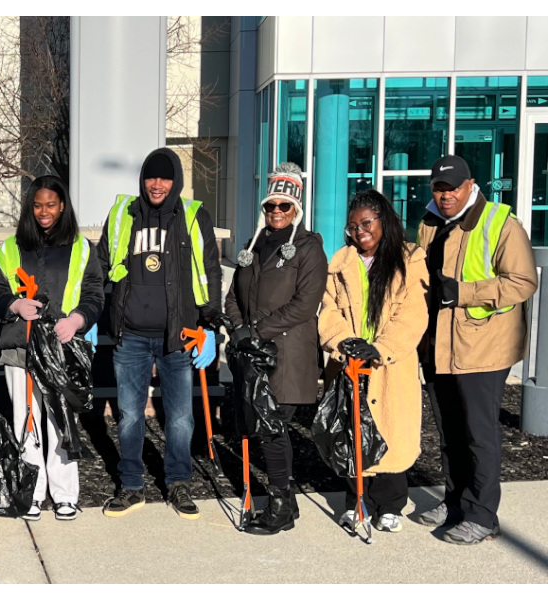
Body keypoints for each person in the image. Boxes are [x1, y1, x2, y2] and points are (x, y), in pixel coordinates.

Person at [414, 155, 537, 545]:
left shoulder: (501, 223)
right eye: (439, 187)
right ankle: (455, 502)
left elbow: (523, 281)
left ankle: (483, 515)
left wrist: (465, 293)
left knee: (479, 434)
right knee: (450, 431)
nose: (446, 194)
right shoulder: (430, 222)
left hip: (482, 345)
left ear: (470, 185)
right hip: (438, 345)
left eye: (453, 187)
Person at [98, 147, 224, 520]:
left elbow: (211, 272)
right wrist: (96, 317)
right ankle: (132, 485)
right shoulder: (124, 214)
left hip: (179, 336)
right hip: (131, 336)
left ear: (176, 182)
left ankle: (178, 483)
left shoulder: (192, 215)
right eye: (151, 177)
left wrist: (211, 325)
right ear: (142, 180)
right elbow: (100, 264)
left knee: (181, 416)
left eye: (164, 177)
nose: (157, 184)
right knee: (130, 415)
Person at [0, 176, 102, 522]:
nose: (44, 212)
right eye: (38, 205)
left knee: (60, 418)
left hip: (62, 347)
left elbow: (95, 293)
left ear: (62, 206)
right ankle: (32, 492)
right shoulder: (10, 248)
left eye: (51, 204)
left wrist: (78, 320)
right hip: (20, 347)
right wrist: (13, 304)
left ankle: (65, 495)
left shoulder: (82, 248)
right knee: (26, 418)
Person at [224, 163, 327, 535]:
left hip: (287, 354)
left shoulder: (309, 247)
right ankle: (288, 500)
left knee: (271, 426)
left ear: (296, 208)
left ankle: (280, 504)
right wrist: (238, 327)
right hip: (252, 353)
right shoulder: (253, 245)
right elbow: (233, 294)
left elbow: (305, 303)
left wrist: (257, 330)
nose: (277, 212)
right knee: (262, 427)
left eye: (284, 206)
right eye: (271, 206)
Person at [320, 189, 430, 535]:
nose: (359, 232)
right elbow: (329, 310)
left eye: (366, 223)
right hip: (350, 361)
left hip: (389, 365)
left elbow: (413, 315)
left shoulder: (410, 259)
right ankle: (356, 502)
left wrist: (380, 348)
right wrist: (343, 343)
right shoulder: (341, 262)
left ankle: (392, 503)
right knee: (353, 432)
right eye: (353, 226)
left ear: (384, 219)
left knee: (391, 429)